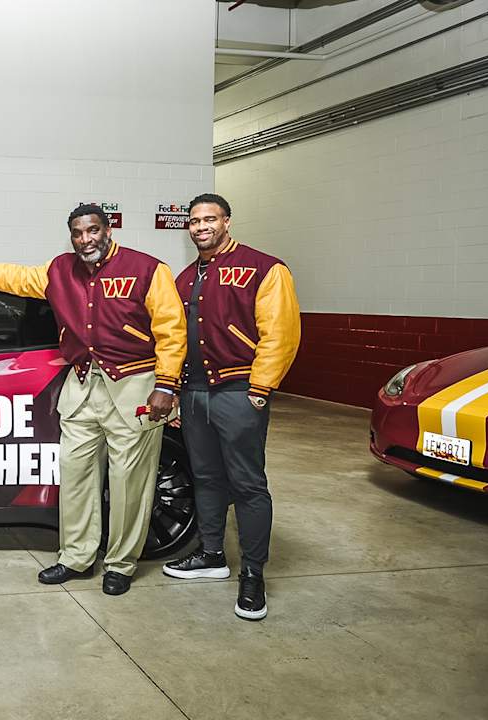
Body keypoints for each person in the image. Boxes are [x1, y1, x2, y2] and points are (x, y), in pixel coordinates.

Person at [0, 204, 185, 595]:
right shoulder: (59, 269)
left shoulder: (148, 269)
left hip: (134, 387)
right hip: (83, 386)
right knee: (75, 475)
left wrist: (167, 385)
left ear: (108, 230)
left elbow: (173, 330)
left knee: (128, 482)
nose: (86, 239)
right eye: (77, 233)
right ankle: (76, 557)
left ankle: (121, 564)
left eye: (93, 230)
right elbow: (18, 278)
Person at [161, 193, 300, 621]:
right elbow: (175, 338)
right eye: (194, 221)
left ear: (227, 222)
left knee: (248, 484)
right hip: (194, 393)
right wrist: (176, 390)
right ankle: (212, 554)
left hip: (239, 392)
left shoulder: (264, 268)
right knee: (206, 477)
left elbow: (280, 333)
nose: (201, 226)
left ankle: (253, 574)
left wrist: (260, 388)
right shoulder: (185, 278)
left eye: (210, 219)